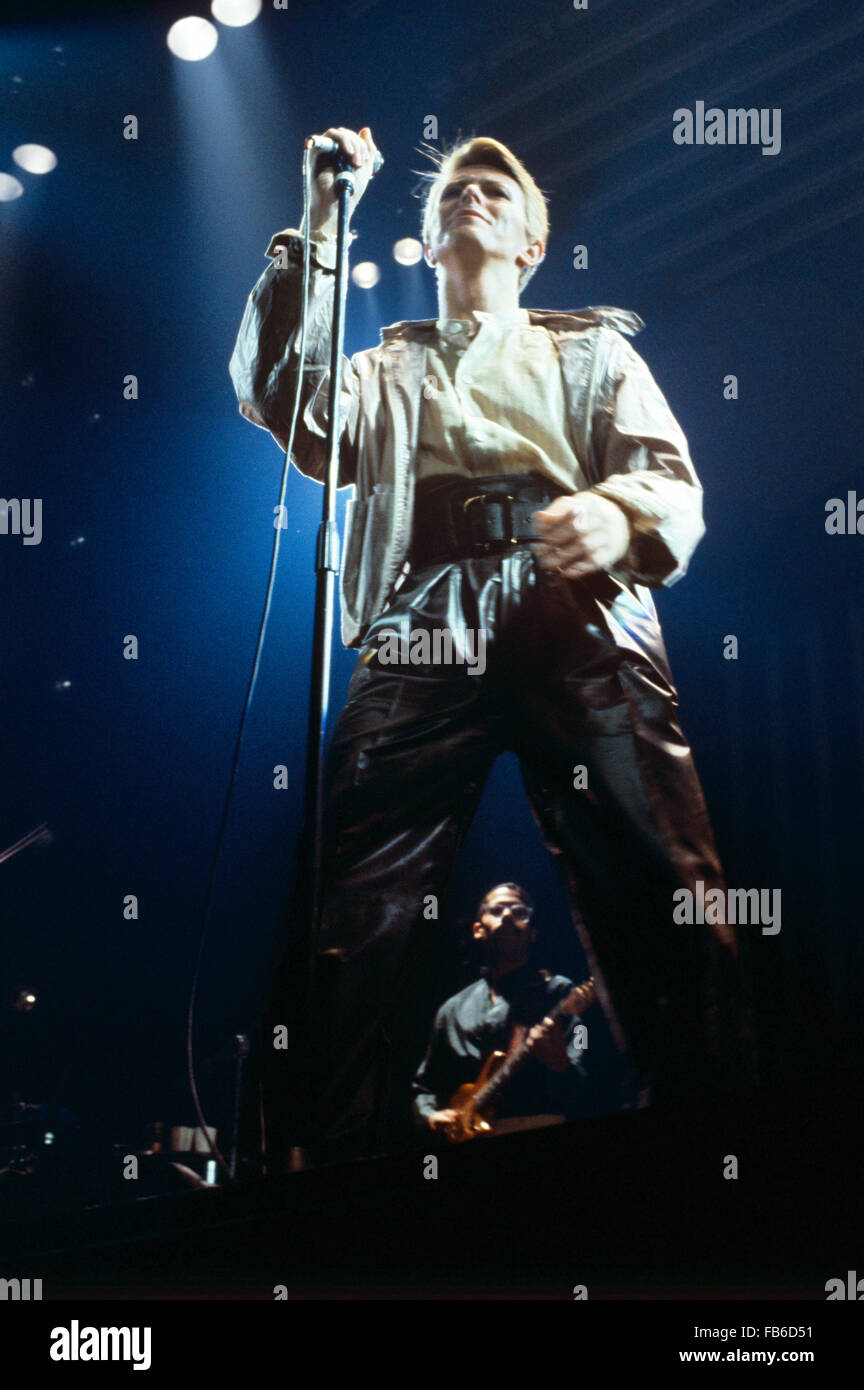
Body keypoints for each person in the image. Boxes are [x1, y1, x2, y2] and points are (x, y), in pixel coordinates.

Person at [229, 125, 755, 1160]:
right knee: (356, 893)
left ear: (529, 243)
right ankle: (314, 1170)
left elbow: (671, 479)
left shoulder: (591, 348)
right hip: (425, 610)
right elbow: (279, 394)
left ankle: (707, 1145)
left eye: (494, 190)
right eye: (454, 191)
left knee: (662, 876)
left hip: (578, 597)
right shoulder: (383, 368)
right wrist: (319, 221)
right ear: (426, 240)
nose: (472, 196)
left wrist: (620, 512)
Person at [413, 883, 608, 1141]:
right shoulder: (451, 1010)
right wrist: (429, 1115)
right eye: (496, 910)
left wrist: (561, 1064)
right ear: (478, 930)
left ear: (532, 934)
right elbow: (425, 1087)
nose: (507, 916)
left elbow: (589, 1080)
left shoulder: (560, 992)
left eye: (519, 912)